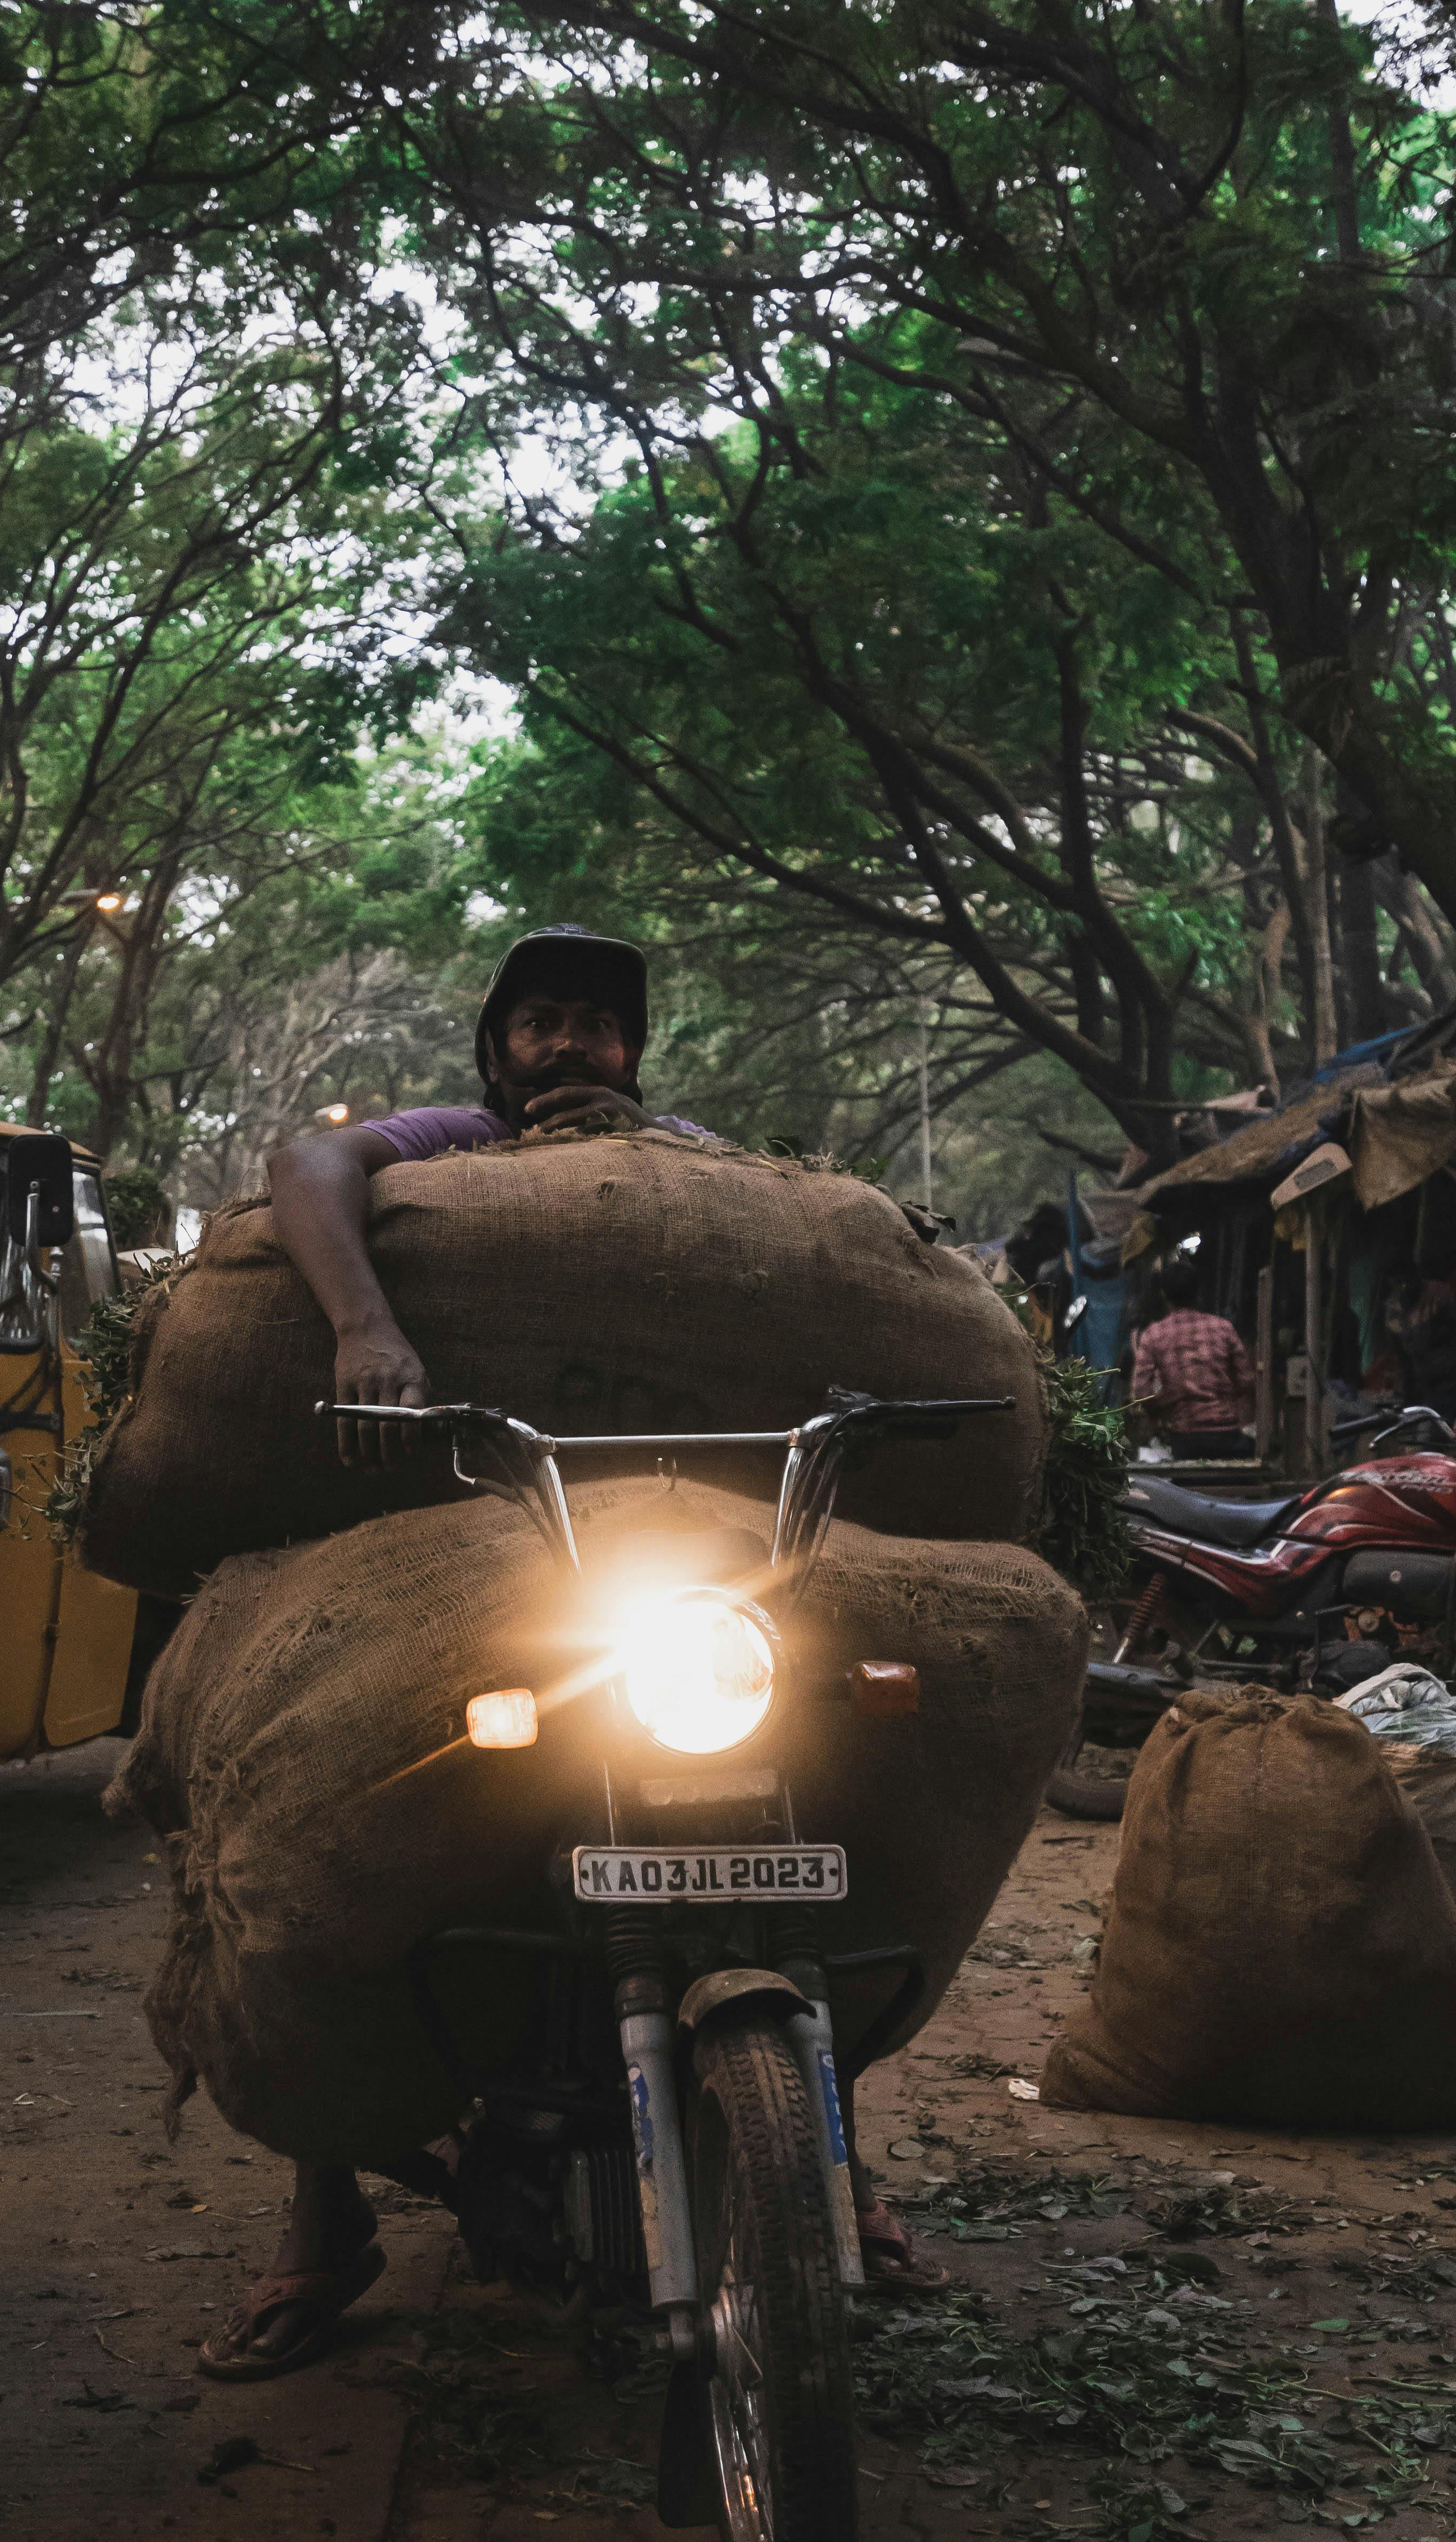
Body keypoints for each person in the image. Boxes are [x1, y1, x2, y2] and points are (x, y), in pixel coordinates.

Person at [197, 925, 935, 2378]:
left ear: (634, 1055)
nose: (568, 1045)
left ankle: (835, 2151)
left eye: (596, 1025)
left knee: (836, 1772)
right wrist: (367, 1332)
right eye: (538, 1022)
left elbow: (837, 1244)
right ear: (494, 1052)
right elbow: (306, 1166)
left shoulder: (700, 1162)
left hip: (687, 1570)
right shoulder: (451, 1147)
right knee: (326, 1821)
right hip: (461, 1563)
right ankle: (322, 2204)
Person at [1128, 1254, 1257, 1459]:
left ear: (1164, 1295)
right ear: (1198, 1294)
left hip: (1185, 1440)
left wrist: (1164, 1412)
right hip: (1228, 1436)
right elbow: (1246, 1382)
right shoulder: (1224, 1328)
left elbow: (1141, 1391)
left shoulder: (1153, 1335)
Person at [1382, 1271, 1456, 1423]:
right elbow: (1404, 1359)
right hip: (1425, 1390)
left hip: (1454, 1384)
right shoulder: (1395, 1310)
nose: (1404, 1287)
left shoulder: (1439, 1296)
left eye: (1406, 1282)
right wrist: (1406, 1397)